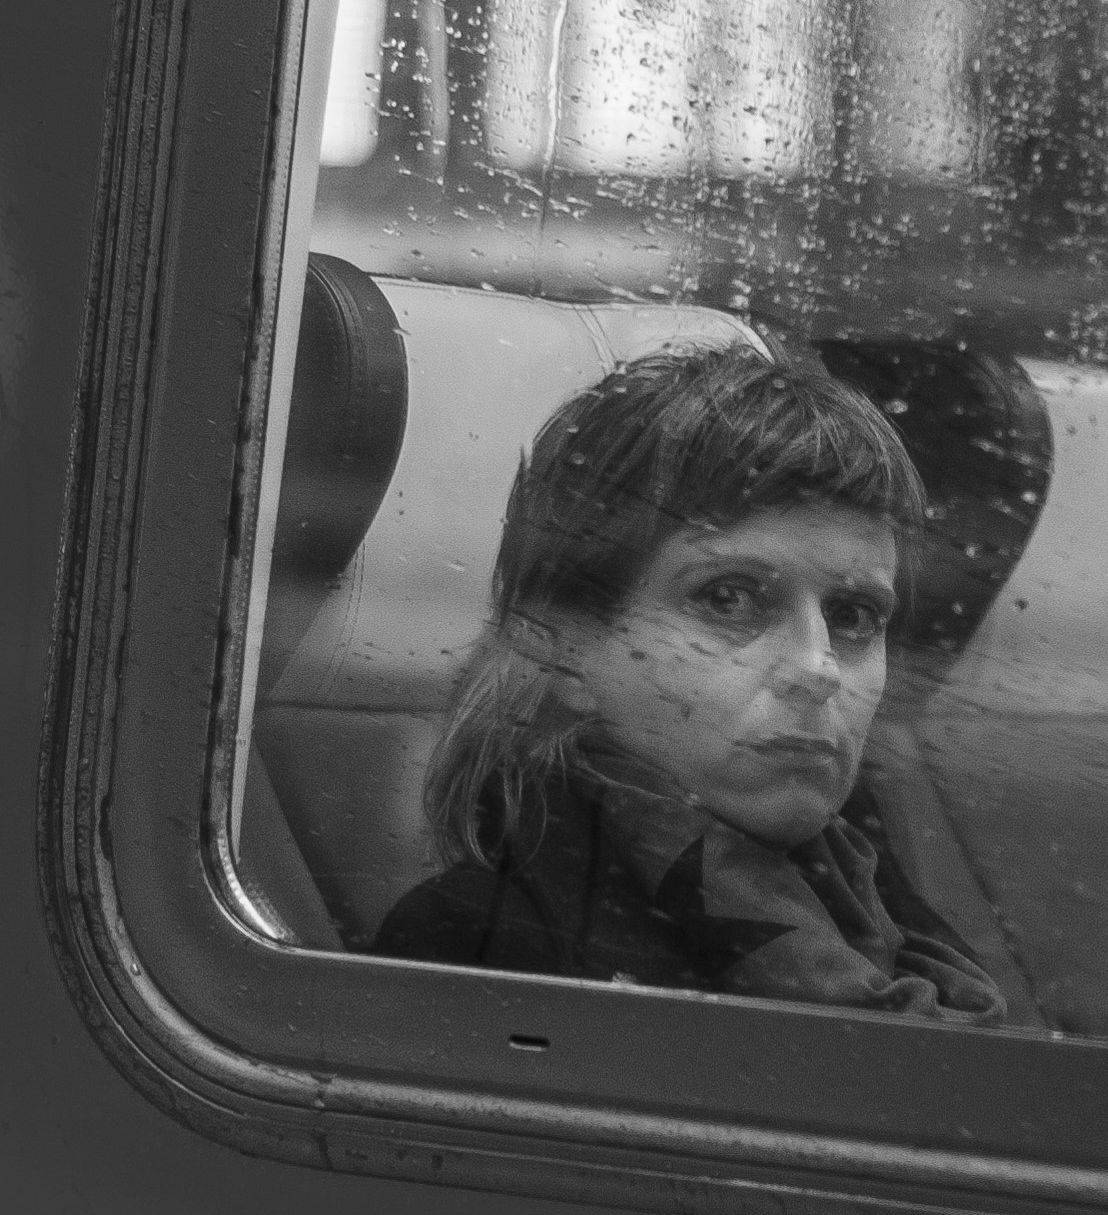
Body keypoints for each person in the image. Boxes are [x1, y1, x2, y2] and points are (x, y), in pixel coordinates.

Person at [373, 342, 1013, 1020]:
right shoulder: (487, 946)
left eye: (854, 616)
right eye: (728, 599)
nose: (818, 669)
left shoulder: (887, 916)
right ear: (563, 653)